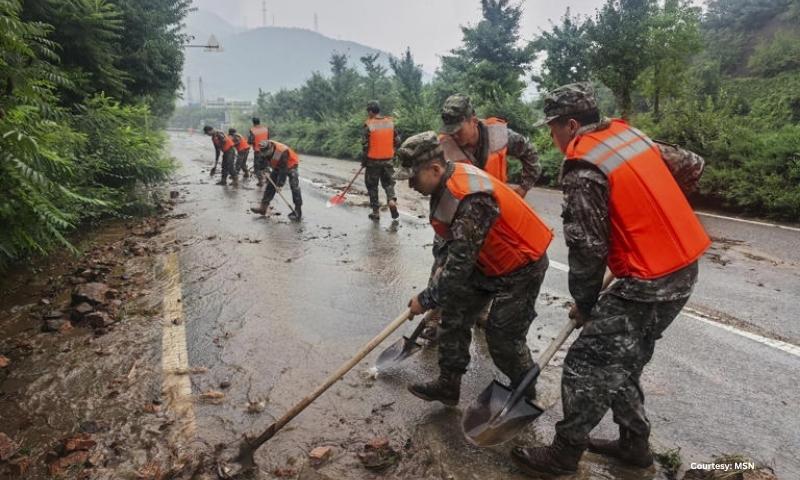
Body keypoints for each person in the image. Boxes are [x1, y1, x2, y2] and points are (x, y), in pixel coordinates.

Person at [511, 82, 710, 476]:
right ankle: (634, 447)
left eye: (551, 128)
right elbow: (692, 164)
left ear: (570, 125)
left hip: (648, 282)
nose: (551, 137)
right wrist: (654, 208)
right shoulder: (629, 136)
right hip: (683, 266)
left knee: (586, 363)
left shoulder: (583, 166)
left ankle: (564, 456)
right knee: (623, 359)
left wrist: (585, 305)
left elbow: (586, 249)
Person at [397, 131, 553, 406]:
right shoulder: (443, 184)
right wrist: (437, 281)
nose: (410, 185)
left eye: (412, 177)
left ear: (434, 169)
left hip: (521, 267)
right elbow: (450, 244)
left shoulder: (471, 199)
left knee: (502, 336)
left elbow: (458, 268)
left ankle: (524, 393)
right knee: (454, 313)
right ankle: (448, 385)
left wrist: (426, 298)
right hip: (485, 260)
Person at [438, 94, 541, 198]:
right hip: (463, 209)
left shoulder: (498, 134)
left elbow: (530, 153)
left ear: (473, 121)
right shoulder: (443, 145)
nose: (454, 135)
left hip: (497, 204)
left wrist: (523, 188)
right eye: (449, 130)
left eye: (458, 130)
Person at [362, 100, 401, 220]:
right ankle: (391, 201)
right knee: (389, 183)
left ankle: (376, 212)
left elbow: (365, 145)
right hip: (388, 160)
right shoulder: (389, 123)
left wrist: (364, 160)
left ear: (370, 111)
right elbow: (398, 140)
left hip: (373, 161)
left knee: (372, 186)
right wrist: (392, 151)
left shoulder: (369, 124)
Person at [250, 140, 303, 221]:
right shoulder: (263, 147)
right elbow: (262, 159)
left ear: (271, 148)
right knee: (270, 185)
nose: (264, 154)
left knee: (294, 186)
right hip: (278, 165)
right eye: (263, 152)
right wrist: (262, 168)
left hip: (291, 164)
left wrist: (279, 185)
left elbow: (283, 170)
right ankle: (263, 208)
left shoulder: (280, 152)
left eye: (266, 152)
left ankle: (298, 210)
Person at [248, 117, 270, 186]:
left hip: (258, 151)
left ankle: (260, 181)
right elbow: (268, 138)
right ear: (259, 121)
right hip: (267, 150)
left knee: (257, 167)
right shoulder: (265, 129)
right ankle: (268, 179)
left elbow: (250, 141)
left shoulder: (252, 130)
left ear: (253, 122)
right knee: (266, 165)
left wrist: (250, 141)